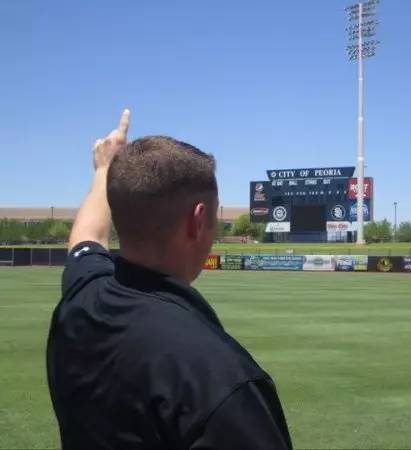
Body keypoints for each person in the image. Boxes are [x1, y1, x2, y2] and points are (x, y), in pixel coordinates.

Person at [46, 110, 293, 450]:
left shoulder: (81, 296)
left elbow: (86, 237)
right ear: (198, 219)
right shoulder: (220, 378)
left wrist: (104, 170)